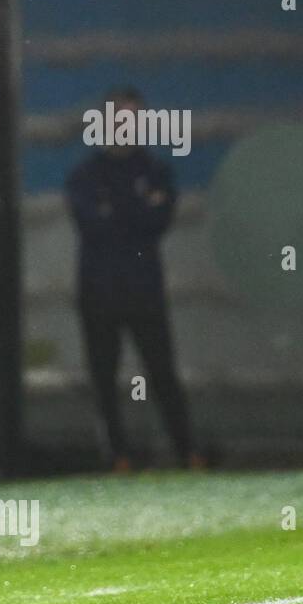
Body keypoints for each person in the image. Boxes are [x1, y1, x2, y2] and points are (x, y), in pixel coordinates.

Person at [65, 86, 203, 474]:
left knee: (162, 373)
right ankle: (118, 456)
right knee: (104, 378)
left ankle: (187, 451)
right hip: (100, 292)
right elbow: (94, 224)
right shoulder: (87, 174)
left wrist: (119, 208)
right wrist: (137, 207)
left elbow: (156, 221)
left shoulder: (156, 170)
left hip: (144, 290)